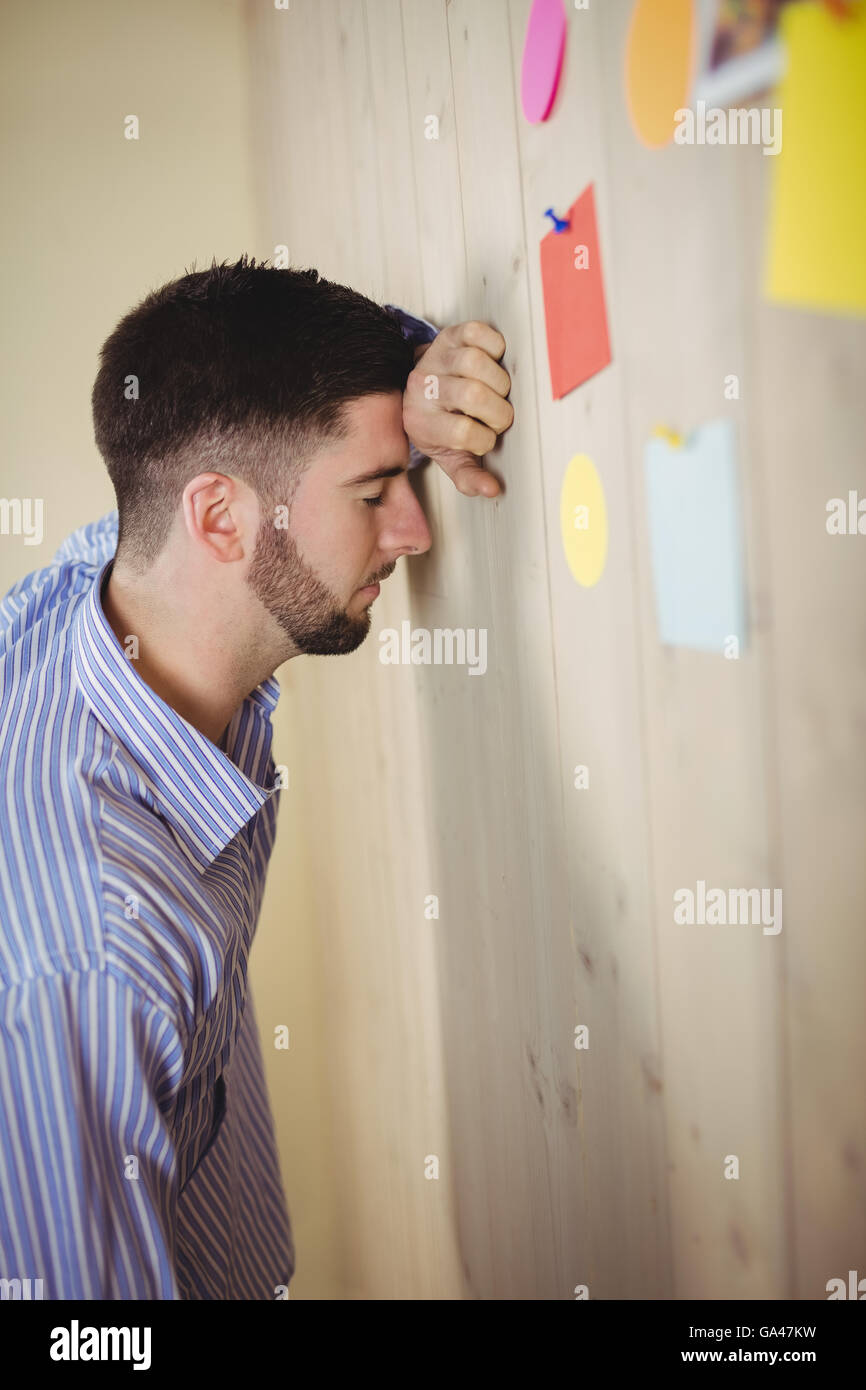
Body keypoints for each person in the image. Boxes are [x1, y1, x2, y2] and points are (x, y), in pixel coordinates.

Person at [0, 256, 512, 1299]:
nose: (412, 534)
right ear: (223, 519)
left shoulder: (106, 589)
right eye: (376, 491)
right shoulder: (97, 958)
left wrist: (415, 369)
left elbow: (224, 372)